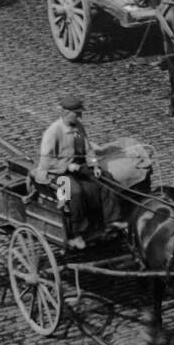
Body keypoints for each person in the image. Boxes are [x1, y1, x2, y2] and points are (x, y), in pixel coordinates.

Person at [33, 95, 123, 249]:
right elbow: (46, 162)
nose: (80, 116)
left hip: (79, 168)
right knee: (75, 192)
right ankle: (76, 233)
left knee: (106, 179)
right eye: (77, 113)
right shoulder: (53, 132)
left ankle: (111, 220)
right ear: (65, 113)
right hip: (57, 174)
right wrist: (67, 167)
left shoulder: (79, 127)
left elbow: (88, 150)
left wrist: (94, 166)